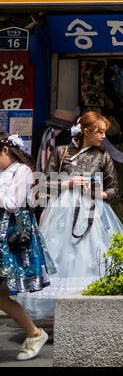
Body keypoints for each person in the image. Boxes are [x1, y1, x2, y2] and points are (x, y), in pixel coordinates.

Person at [22, 111, 123, 319]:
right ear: (85, 131)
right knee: (62, 253)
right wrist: (67, 183)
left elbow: (114, 189)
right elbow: (43, 184)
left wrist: (98, 193)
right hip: (62, 210)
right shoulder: (62, 152)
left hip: (93, 210)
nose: (103, 136)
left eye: (105, 132)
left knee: (92, 254)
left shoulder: (103, 156)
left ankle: (92, 309)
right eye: (99, 132)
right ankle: (61, 306)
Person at [0, 135, 53, 360]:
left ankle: (34, 333)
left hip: (10, 239)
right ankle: (33, 333)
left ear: (4, 150)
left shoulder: (22, 171)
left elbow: (13, 204)